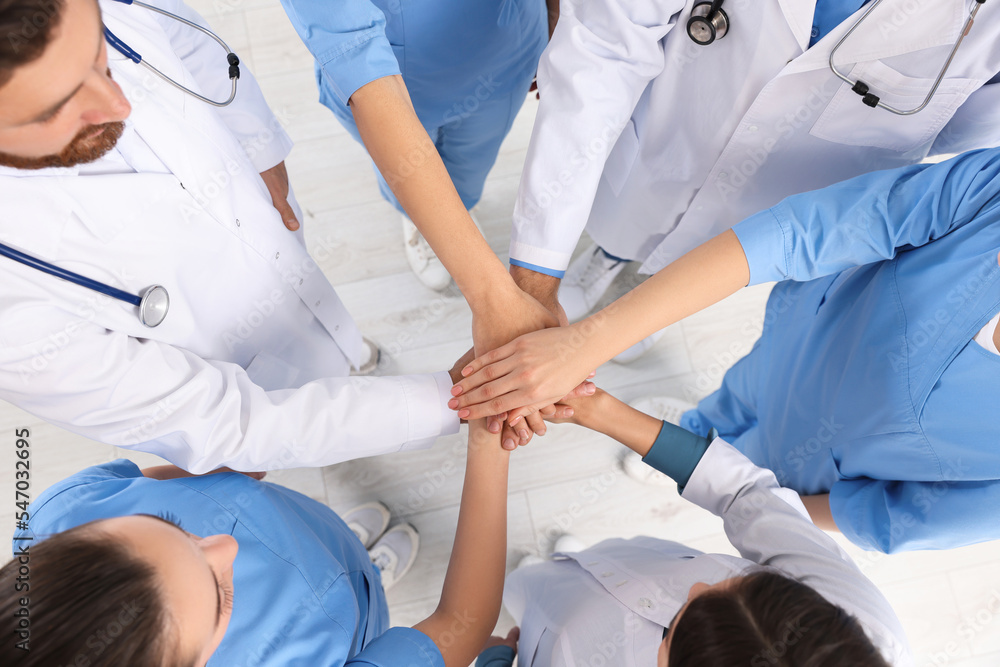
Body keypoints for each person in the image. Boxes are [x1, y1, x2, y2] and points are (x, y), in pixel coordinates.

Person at [0, 0, 551, 473]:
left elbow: (180, 32)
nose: (119, 103)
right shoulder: (15, 315)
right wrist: (452, 398)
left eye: (102, 51)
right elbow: (229, 423)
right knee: (312, 420)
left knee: (322, 319)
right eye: (58, 106)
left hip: (265, 231)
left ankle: (351, 354)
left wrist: (259, 148)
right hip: (252, 382)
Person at [449, 147, 1000, 552]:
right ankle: (689, 425)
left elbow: (899, 518)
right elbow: (806, 230)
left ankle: (687, 448)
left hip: (804, 464)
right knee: (730, 397)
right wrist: (586, 341)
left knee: (734, 459)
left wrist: (758, 505)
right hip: (798, 339)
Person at [507, 0, 1000, 360]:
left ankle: (656, 297)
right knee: (626, 225)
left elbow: (961, 130)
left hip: (792, 186)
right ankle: (608, 259)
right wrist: (536, 268)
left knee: (715, 257)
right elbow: (604, 46)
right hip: (669, 135)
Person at [0, 419, 515, 666]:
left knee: (338, 549)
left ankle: (358, 560)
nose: (226, 546)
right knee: (369, 600)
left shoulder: (57, 513)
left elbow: (213, 470)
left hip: (311, 525)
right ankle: (367, 579)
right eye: (220, 593)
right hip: (360, 630)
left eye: (171, 524)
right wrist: (489, 435)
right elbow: (458, 624)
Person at [493, 387, 912, 666]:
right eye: (738, 582)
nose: (696, 587)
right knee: (549, 575)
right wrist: (601, 411)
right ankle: (558, 568)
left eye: (673, 630)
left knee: (523, 598)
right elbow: (746, 495)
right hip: (637, 563)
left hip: (552, 647)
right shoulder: (856, 627)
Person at [279, 0, 555, 292]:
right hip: (386, 68)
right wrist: (487, 292)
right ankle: (419, 218)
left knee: (476, 156)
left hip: (504, 51)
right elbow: (348, 39)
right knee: (403, 164)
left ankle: (461, 206)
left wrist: (557, 15)